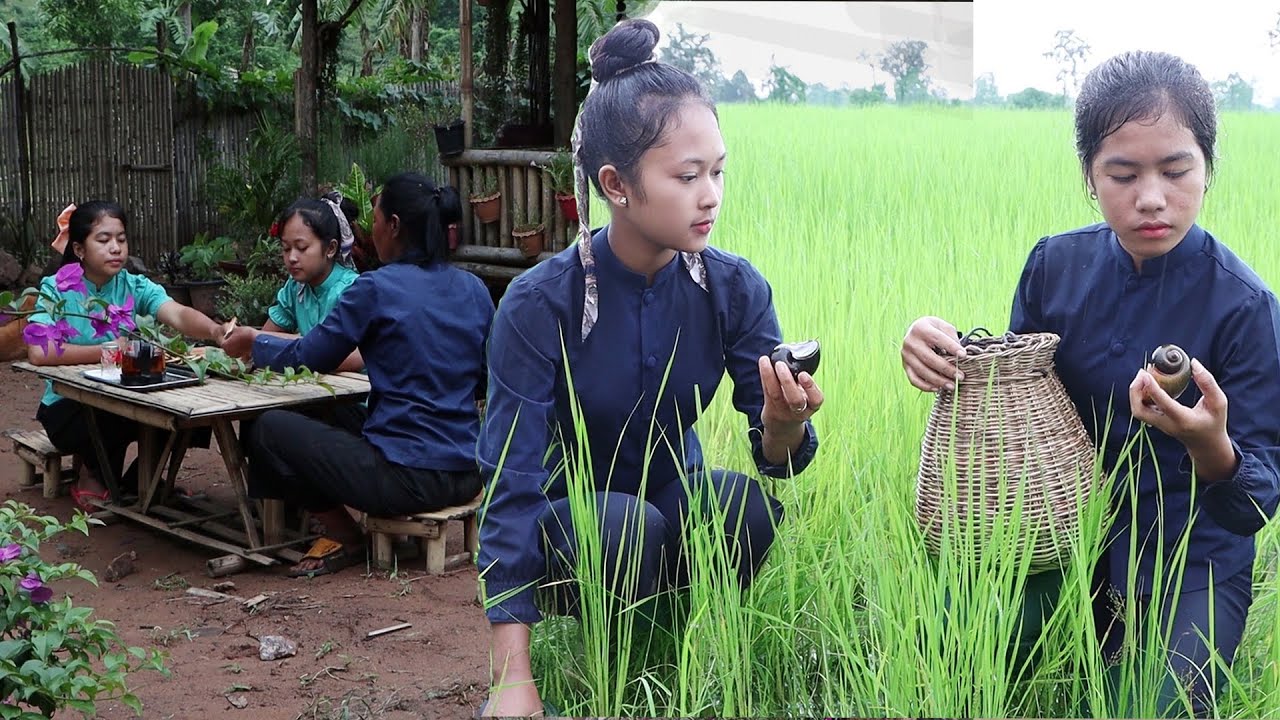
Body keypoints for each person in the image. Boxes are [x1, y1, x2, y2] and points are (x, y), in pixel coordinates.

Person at [900, 51, 1280, 717]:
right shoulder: (1055, 267)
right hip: (1064, 542)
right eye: (1123, 173)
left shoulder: (1246, 307)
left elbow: (1252, 505)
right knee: (962, 671)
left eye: (1176, 169)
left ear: (1208, 168)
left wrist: (1208, 445)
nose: (1152, 197)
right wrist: (947, 352)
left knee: (1161, 708)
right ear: (1088, 176)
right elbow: (1015, 411)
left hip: (1191, 558)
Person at [477, 19, 825, 717]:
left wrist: (784, 423)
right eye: (688, 175)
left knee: (739, 506)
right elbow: (508, 484)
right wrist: (510, 678)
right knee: (622, 525)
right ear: (616, 184)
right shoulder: (538, 303)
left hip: (670, 501)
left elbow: (777, 458)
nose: (711, 195)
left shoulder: (732, 287)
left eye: (719, 171)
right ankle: (605, 658)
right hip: (573, 526)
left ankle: (673, 653)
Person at [220, 172, 493, 577]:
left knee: (269, 427)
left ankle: (344, 534)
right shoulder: (474, 288)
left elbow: (310, 355)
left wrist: (254, 341)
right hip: (467, 470)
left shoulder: (375, 288)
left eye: (376, 219)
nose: (370, 231)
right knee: (327, 412)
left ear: (395, 226)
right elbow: (485, 380)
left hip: (406, 479)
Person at [26, 201, 234, 511]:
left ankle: (143, 478)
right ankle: (92, 474)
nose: (115, 248)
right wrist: (110, 351)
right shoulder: (56, 289)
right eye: (104, 240)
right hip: (66, 407)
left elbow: (176, 313)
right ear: (80, 249)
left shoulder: (133, 285)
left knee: (191, 409)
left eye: (121, 239)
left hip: (124, 395)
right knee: (112, 412)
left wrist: (216, 331)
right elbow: (39, 353)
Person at [258, 193, 362, 372]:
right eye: (286, 248)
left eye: (302, 248)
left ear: (330, 248)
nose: (291, 258)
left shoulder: (352, 290)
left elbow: (357, 358)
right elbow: (266, 337)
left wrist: (297, 355)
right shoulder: (295, 288)